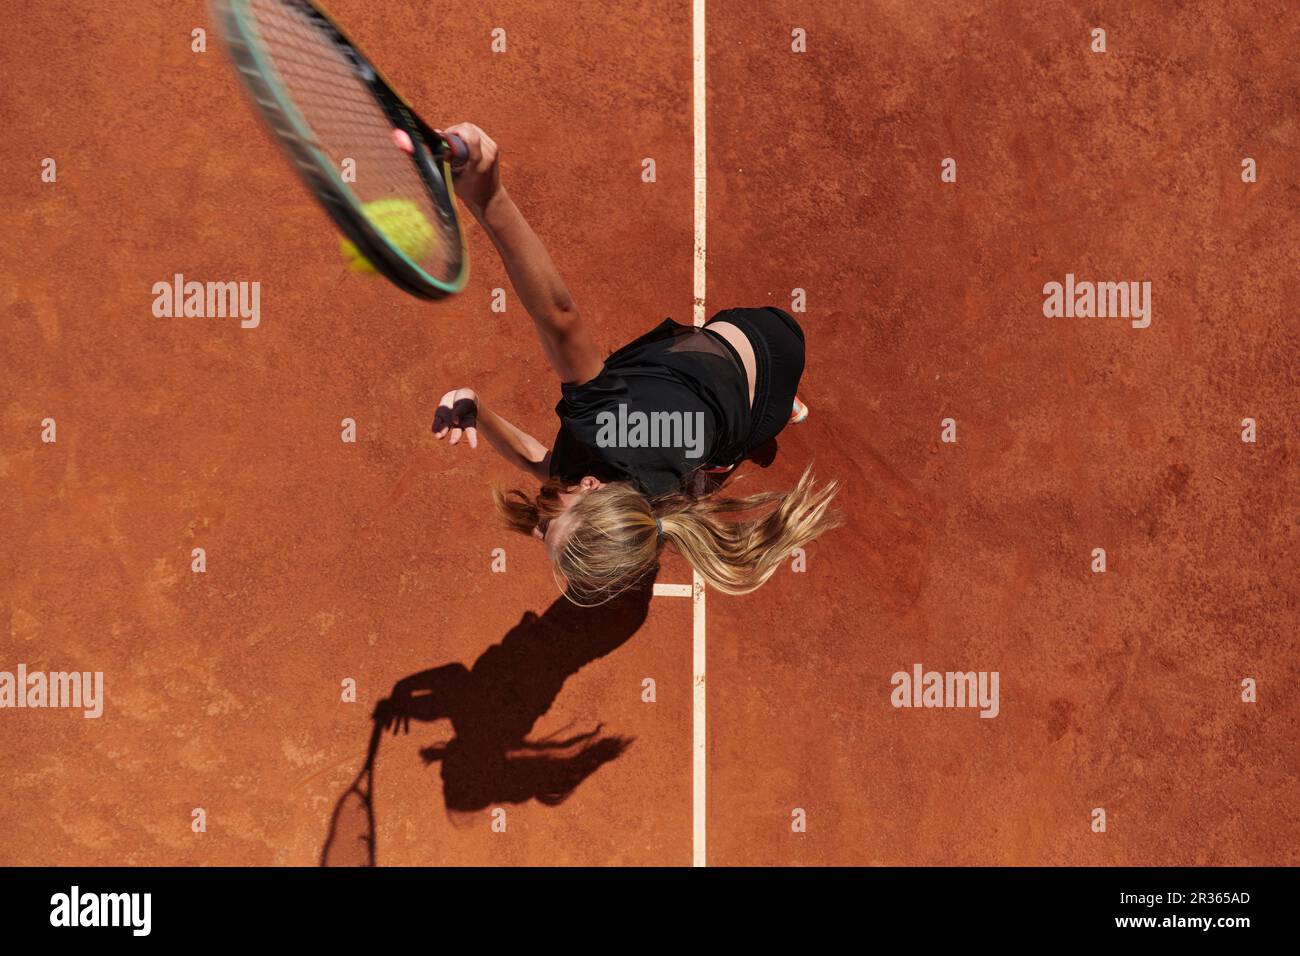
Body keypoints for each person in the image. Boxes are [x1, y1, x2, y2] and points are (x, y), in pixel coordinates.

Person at [430, 123, 840, 604]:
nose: (538, 534)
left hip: (752, 408)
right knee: (706, 428)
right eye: (552, 532)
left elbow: (544, 465)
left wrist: (480, 411)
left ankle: (767, 418)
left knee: (718, 451)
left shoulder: (645, 514)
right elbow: (558, 318)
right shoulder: (605, 422)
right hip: (765, 336)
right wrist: (488, 197)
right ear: (588, 485)